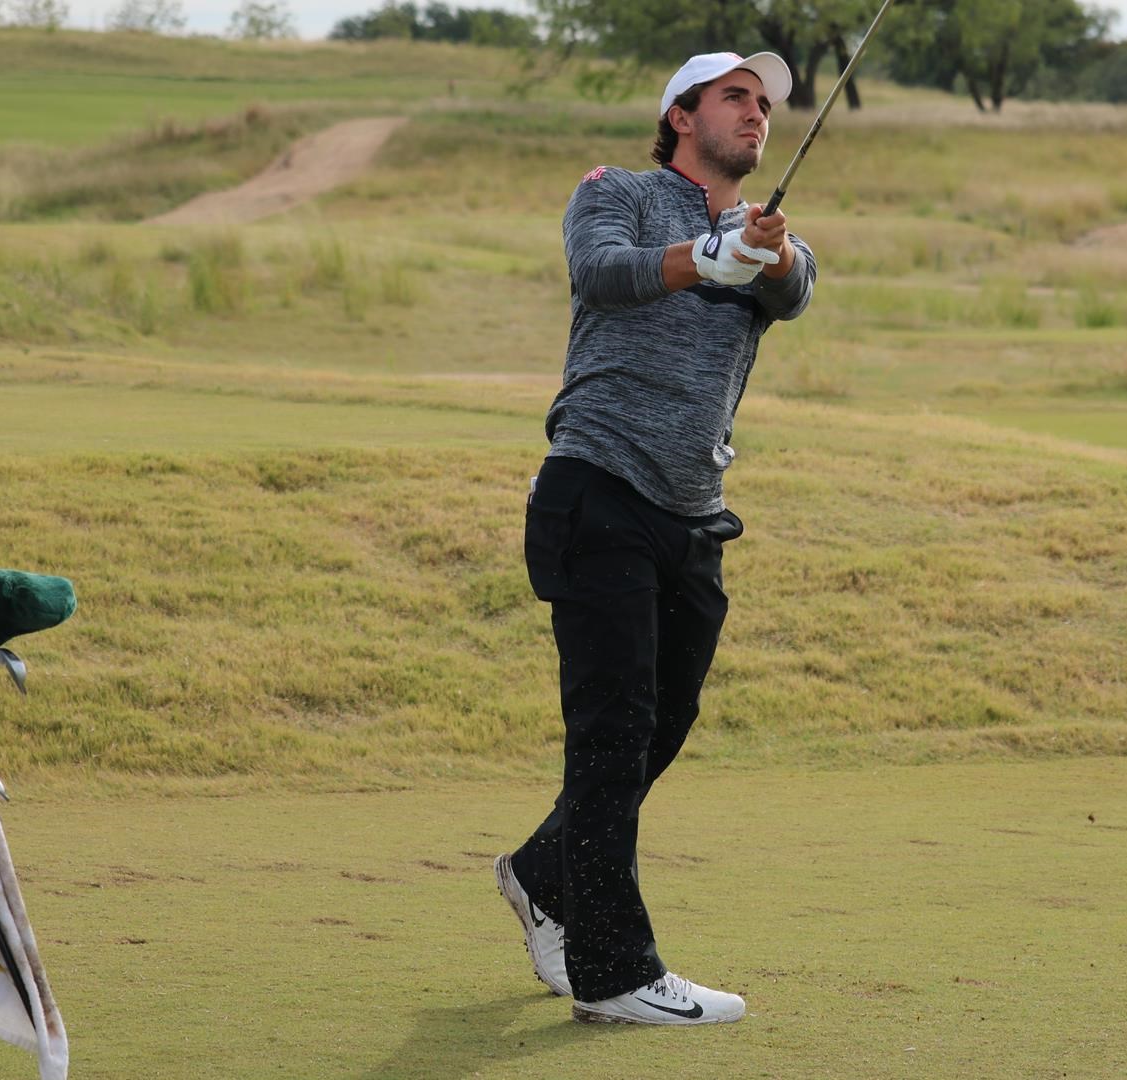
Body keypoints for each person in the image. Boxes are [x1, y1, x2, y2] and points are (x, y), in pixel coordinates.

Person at [493, 50, 815, 1027]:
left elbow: (793, 291)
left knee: (655, 731)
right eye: (735, 98)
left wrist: (768, 254)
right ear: (681, 114)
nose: (755, 115)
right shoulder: (618, 192)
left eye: (764, 105)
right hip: (597, 488)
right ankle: (612, 971)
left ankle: (545, 873)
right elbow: (604, 271)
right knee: (613, 730)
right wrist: (700, 258)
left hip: (692, 514)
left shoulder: (764, 239)